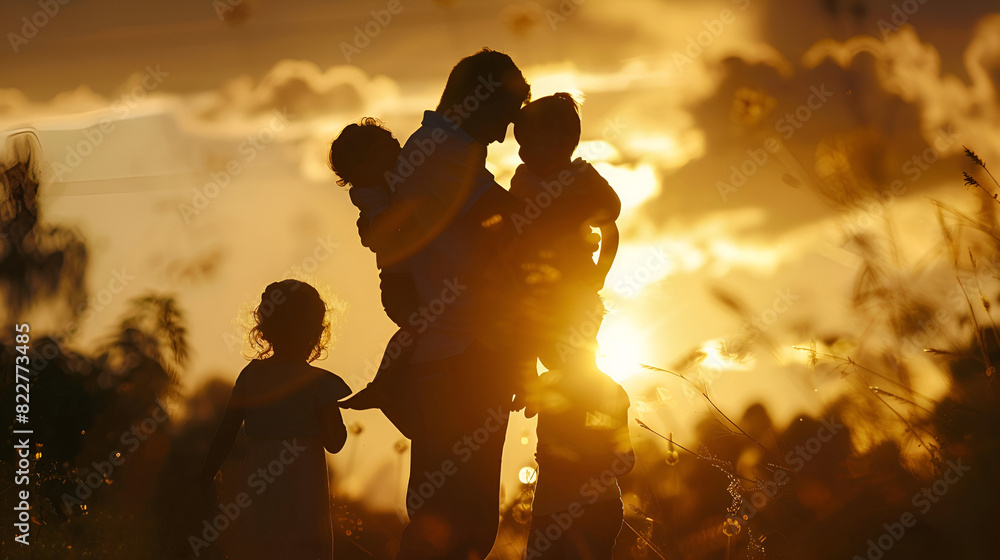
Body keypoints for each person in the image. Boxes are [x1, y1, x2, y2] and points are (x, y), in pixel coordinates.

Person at [387, 48, 536, 560]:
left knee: (462, 523)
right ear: (476, 101)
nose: (501, 136)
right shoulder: (438, 150)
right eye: (502, 118)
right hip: (459, 357)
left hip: (465, 353)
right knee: (454, 523)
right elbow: (501, 218)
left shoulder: (442, 151)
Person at [201, 280, 351, 560]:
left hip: (258, 486)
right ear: (316, 333)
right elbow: (335, 442)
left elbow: (226, 432)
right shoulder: (319, 384)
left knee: (258, 548)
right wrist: (334, 410)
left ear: (266, 330)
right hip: (304, 491)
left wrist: (205, 476)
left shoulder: (252, 376)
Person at [510, 92, 621, 368]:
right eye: (521, 144)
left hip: (577, 286)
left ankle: (581, 395)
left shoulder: (582, 178)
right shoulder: (524, 180)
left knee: (575, 358)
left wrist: (600, 272)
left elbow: (610, 225)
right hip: (533, 291)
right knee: (541, 351)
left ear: (563, 142)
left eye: (533, 143)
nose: (524, 152)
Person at [328, 118, 422, 437]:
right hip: (400, 285)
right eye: (386, 148)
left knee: (423, 332)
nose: (397, 150)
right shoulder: (369, 193)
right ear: (363, 167)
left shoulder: (396, 180)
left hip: (413, 280)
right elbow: (383, 224)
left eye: (393, 142)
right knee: (419, 327)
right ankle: (384, 387)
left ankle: (391, 392)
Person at [523, 355, 634, 560]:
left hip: (591, 511)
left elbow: (625, 461)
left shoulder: (610, 391)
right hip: (550, 512)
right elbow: (526, 405)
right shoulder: (546, 383)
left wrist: (570, 465)